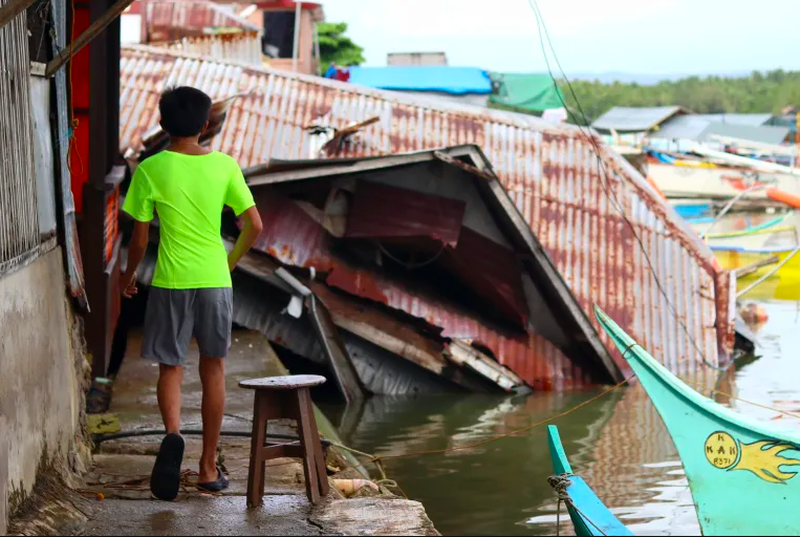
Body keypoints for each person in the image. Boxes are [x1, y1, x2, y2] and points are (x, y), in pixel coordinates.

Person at [120, 86, 264, 501]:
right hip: (214, 279)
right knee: (214, 368)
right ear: (206, 125)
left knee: (171, 366)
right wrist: (230, 261)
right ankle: (205, 468)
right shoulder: (225, 166)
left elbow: (140, 237)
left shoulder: (151, 168)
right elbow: (254, 225)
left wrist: (129, 276)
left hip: (170, 281)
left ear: (163, 124)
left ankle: (172, 436)